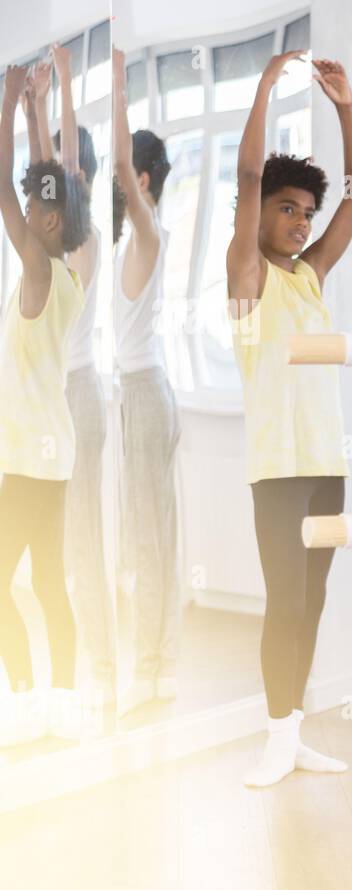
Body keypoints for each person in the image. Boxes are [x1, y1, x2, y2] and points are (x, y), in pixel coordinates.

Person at [227, 51, 352, 787]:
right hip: (277, 469)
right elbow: (248, 177)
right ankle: (275, 735)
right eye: (288, 208)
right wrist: (262, 87)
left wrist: (346, 108)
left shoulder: (309, 276)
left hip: (326, 467)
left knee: (312, 603)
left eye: (304, 213)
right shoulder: (247, 279)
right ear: (259, 214)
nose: (299, 221)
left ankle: (295, 732)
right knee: (284, 600)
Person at [0, 61, 91, 746]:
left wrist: (6, 105)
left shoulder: (34, 266)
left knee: (7, 583)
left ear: (48, 218)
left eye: (35, 208)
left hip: (25, 456)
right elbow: (39, 179)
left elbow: (6, 184)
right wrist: (36, 109)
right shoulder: (66, 271)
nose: (25, 213)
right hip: (50, 452)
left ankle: (29, 699)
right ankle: (61, 700)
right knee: (50, 582)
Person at [111, 47, 183, 718]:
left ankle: (154, 667)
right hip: (137, 393)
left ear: (142, 178)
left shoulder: (148, 234)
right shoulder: (129, 241)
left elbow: (126, 184)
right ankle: (156, 665)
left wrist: (116, 87)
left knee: (148, 536)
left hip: (144, 394)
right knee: (145, 531)